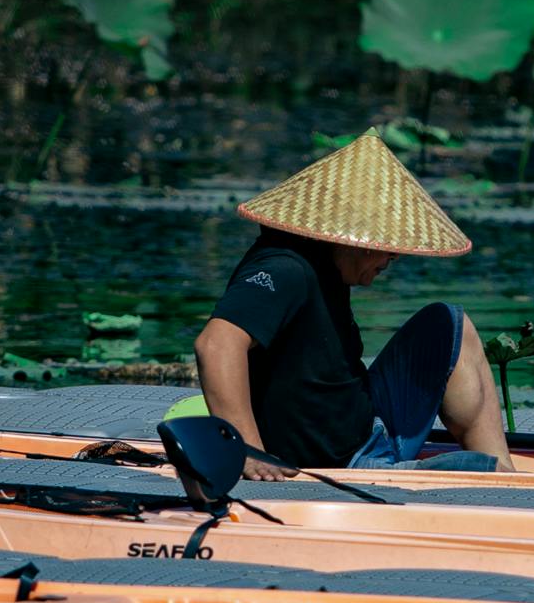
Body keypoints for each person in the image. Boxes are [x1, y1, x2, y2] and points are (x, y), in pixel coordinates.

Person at [190, 133, 513, 477]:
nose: (394, 257)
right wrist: (248, 450)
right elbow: (215, 345)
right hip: (347, 462)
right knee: (481, 471)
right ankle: (503, 478)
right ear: (352, 237)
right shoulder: (285, 269)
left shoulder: (326, 264)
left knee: (451, 325)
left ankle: (506, 467)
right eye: (388, 247)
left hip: (367, 424)